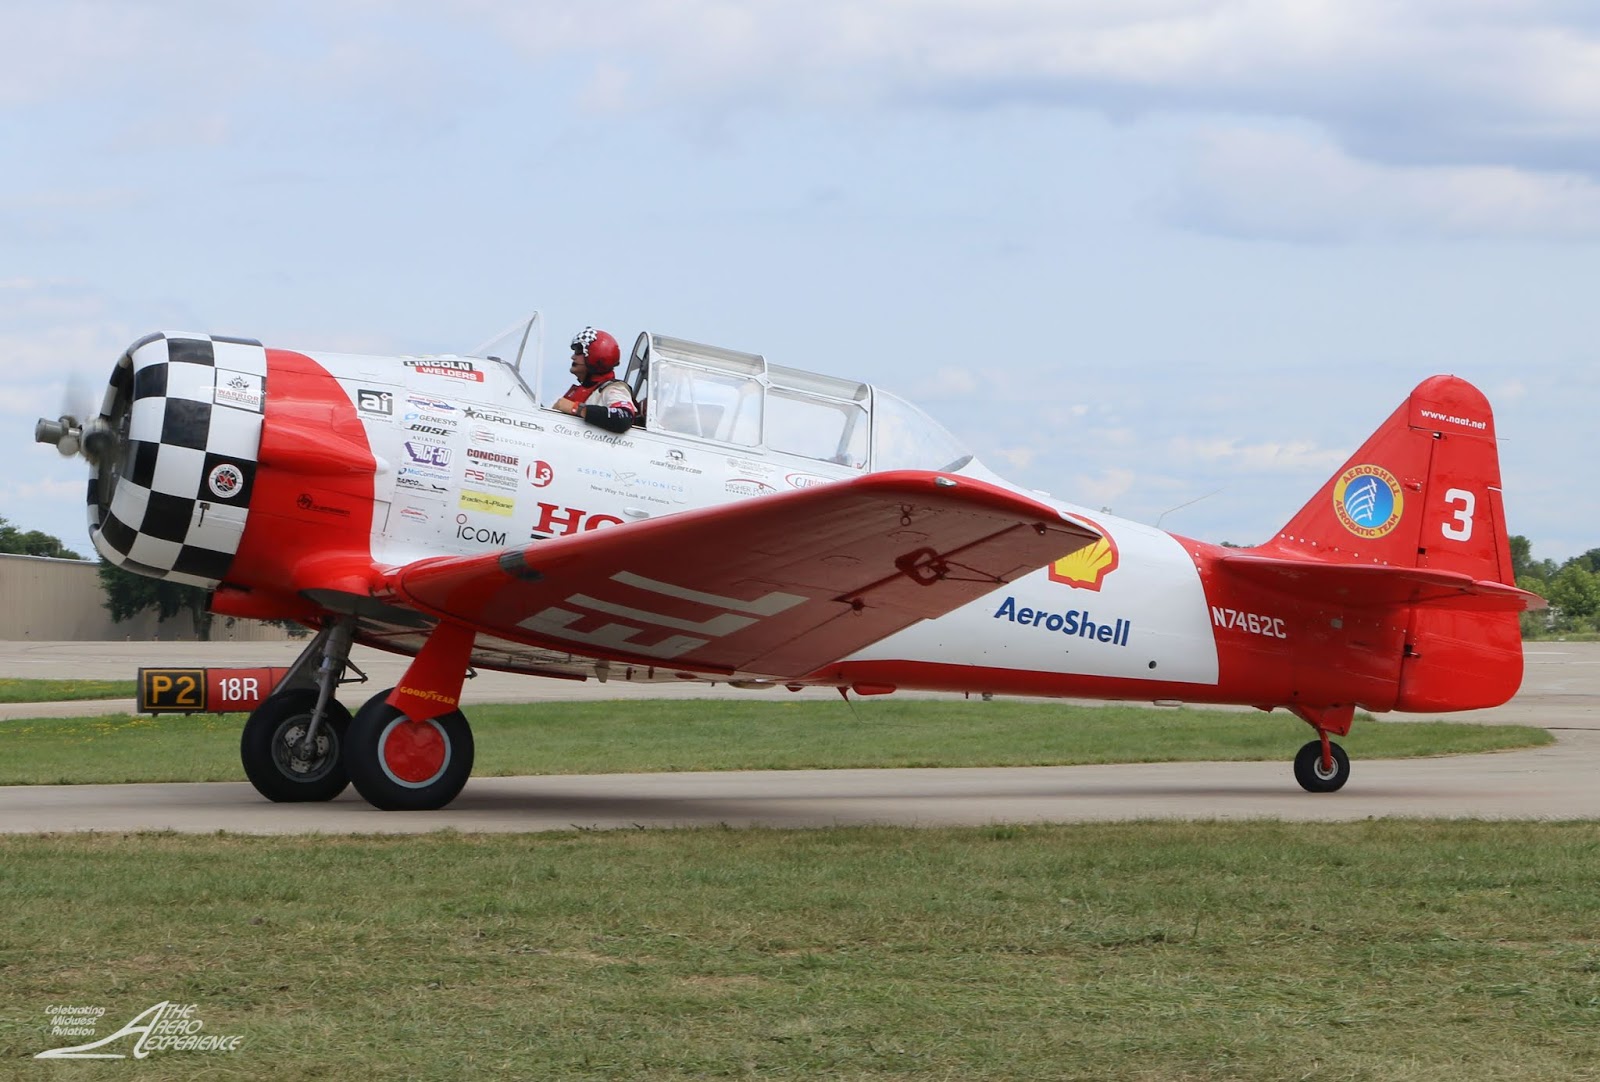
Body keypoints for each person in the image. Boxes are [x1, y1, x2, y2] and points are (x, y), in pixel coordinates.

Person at [555, 327, 637, 433]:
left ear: (597, 354)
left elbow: (624, 418)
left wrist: (576, 408)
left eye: (579, 351)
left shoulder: (613, 389)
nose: (573, 357)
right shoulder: (584, 390)